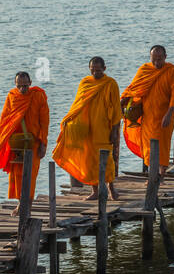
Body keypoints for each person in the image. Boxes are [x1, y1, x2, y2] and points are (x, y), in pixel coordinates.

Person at [52, 57, 123, 201]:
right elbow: (78, 105)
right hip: (87, 128)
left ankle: (111, 189)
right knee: (89, 160)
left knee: (107, 158)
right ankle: (95, 191)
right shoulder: (85, 83)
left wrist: (115, 130)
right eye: (93, 69)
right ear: (89, 69)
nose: (96, 72)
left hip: (104, 128)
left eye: (98, 69)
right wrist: (69, 120)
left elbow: (116, 108)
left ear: (104, 68)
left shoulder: (110, 84)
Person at [0, 71, 50, 202]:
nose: (22, 89)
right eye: (19, 86)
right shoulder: (12, 96)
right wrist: (4, 141)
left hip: (33, 142)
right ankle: (21, 204)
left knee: (30, 175)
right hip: (16, 143)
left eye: (25, 86)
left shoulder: (38, 96)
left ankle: (28, 205)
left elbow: (44, 121)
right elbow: (5, 119)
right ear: (15, 84)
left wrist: (43, 143)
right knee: (17, 174)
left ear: (30, 83)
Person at [122, 45, 174, 175]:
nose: (156, 62)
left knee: (162, 146)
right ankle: (152, 176)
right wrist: (123, 102)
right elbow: (133, 88)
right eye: (153, 58)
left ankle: (161, 175)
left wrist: (169, 113)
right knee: (148, 146)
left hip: (164, 115)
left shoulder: (173, 71)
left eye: (159, 58)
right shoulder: (145, 69)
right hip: (148, 116)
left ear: (165, 57)